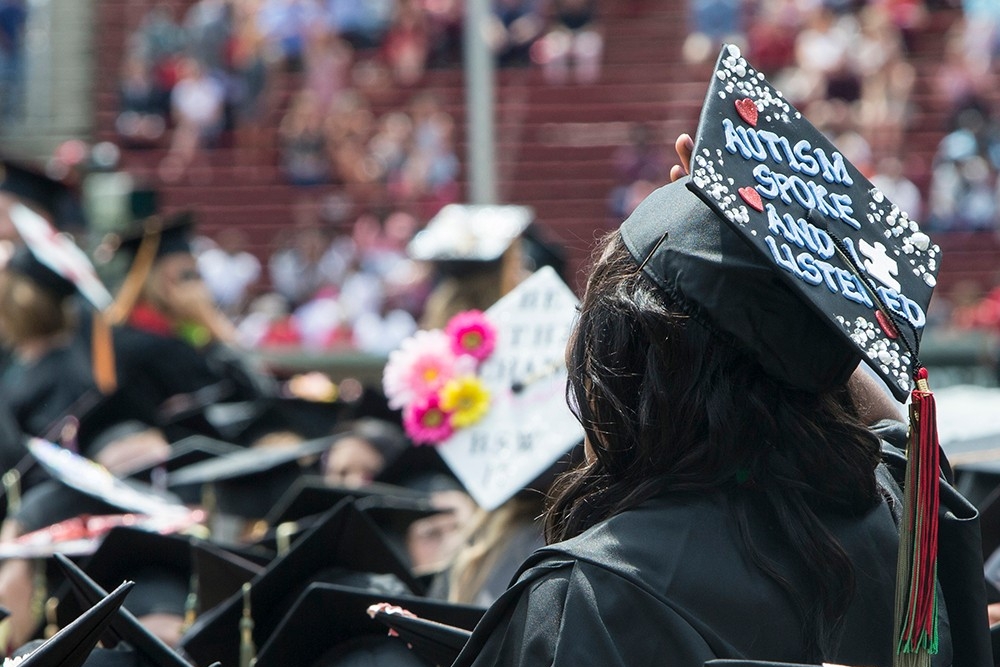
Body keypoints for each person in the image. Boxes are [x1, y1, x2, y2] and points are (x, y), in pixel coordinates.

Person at [450, 48, 991, 667]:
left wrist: (718, 242)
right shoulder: (896, 517)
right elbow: (888, 429)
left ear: (627, 366)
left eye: (588, 319)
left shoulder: (588, 599)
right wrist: (783, 278)